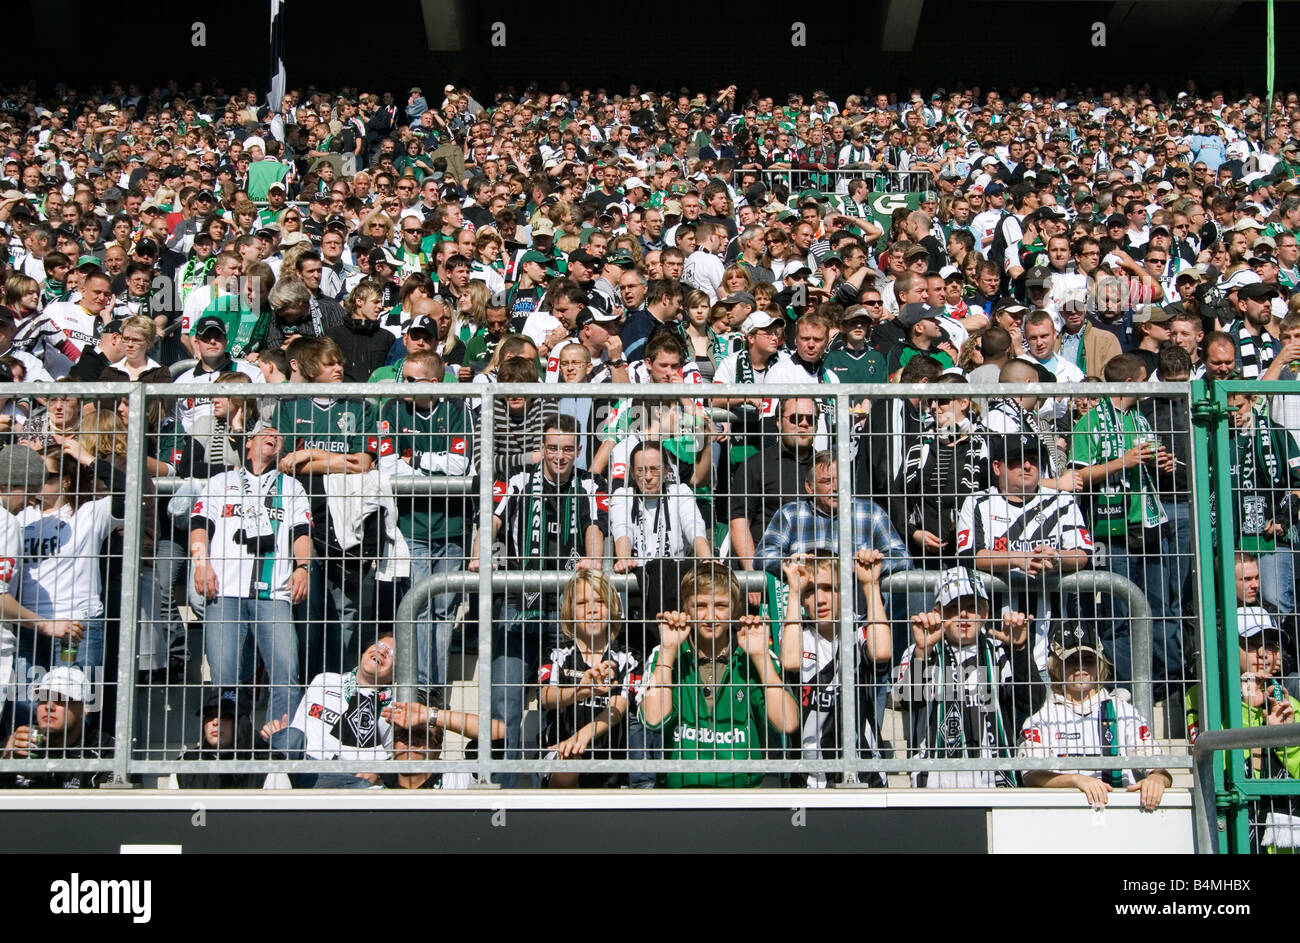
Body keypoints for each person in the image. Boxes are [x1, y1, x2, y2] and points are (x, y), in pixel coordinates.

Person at [469, 415, 606, 784]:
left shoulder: (591, 483)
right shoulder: (518, 480)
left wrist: (593, 559)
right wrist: (480, 552)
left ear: (578, 450)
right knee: (505, 700)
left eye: (567, 449)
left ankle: (552, 786)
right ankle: (504, 786)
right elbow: (491, 521)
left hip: (567, 612)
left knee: (561, 703)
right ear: (541, 449)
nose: (559, 456)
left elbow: (596, 527)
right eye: (552, 448)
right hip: (518, 605)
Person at [191, 422, 312, 730]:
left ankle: (281, 750)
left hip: (273, 593)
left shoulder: (292, 486)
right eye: (266, 431)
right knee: (224, 676)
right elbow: (200, 525)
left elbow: (302, 532)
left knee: (286, 671)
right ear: (248, 442)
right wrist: (200, 562)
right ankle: (231, 748)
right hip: (224, 591)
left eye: (278, 433)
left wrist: (303, 567)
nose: (274, 436)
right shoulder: (221, 481)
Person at [638, 562, 800, 788]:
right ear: (685, 608)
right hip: (679, 793)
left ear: (735, 608)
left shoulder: (751, 655)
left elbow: (788, 723)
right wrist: (668, 651)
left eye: (721, 605)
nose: (711, 616)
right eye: (700, 605)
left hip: (741, 794)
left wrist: (760, 657)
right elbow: (653, 720)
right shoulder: (666, 653)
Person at [373, 350, 472, 691]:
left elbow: (463, 465)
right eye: (402, 377)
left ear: (433, 382)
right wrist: (436, 461)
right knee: (415, 607)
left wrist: (414, 457)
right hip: (410, 525)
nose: (402, 385)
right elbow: (387, 468)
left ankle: (434, 688)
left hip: (453, 526)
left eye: (410, 380)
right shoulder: (391, 407)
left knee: (444, 609)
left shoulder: (458, 407)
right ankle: (414, 686)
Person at [956, 433, 1092, 675]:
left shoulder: (1062, 501)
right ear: (997, 467)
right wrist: (1020, 559)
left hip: (1050, 650)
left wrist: (1057, 558)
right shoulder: (978, 502)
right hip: (990, 648)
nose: (1027, 465)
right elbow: (969, 555)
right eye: (1017, 461)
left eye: (1032, 459)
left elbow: (1083, 554)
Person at [891, 566, 1039, 787]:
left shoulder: (998, 651)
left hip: (995, 779)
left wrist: (1019, 651)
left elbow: (1031, 702)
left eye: (972, 607)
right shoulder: (919, 650)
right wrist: (922, 652)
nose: (963, 614)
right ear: (937, 613)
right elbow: (908, 700)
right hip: (935, 780)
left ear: (985, 613)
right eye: (953, 607)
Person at [1021, 623, 1171, 811]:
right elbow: (1032, 775)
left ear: (1100, 664)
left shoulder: (1124, 711)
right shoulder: (1041, 719)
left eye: (1089, 659)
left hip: (1120, 814)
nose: (1081, 667)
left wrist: (1157, 779)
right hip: (1062, 816)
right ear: (1056, 667)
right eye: (1072, 660)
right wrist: (1076, 780)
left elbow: (1159, 766)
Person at [778, 548, 891, 788]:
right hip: (809, 780)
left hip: (865, 776)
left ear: (845, 591)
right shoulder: (796, 632)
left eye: (829, 588)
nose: (819, 599)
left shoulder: (858, 630)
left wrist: (870, 585)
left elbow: (881, 652)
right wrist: (794, 590)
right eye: (810, 591)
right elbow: (790, 662)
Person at [538, 569, 640, 788]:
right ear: (569, 611)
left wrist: (580, 738)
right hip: (562, 756)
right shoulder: (557, 655)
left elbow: (618, 708)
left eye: (600, 601)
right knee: (569, 764)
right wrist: (584, 690)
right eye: (583, 603)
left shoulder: (628, 658)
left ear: (613, 609)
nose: (592, 609)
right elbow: (546, 697)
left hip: (610, 767)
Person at [260, 635, 398, 788]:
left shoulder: (391, 709)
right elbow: (298, 729)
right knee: (291, 736)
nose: (383, 652)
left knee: (369, 789)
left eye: (391, 653)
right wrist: (281, 734)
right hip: (301, 764)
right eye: (380, 645)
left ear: (395, 674)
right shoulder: (324, 680)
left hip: (339, 776)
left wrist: (377, 771)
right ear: (364, 652)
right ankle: (273, 794)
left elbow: (392, 756)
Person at [1, 666, 113, 788]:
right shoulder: (18, 742)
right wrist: (5, 763)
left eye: (61, 699)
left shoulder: (105, 750)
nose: (49, 706)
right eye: (43, 698)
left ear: (84, 708)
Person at [164, 687, 262, 789]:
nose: (215, 722)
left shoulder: (268, 764)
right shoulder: (184, 766)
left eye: (225, 716)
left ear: (242, 722)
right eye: (210, 716)